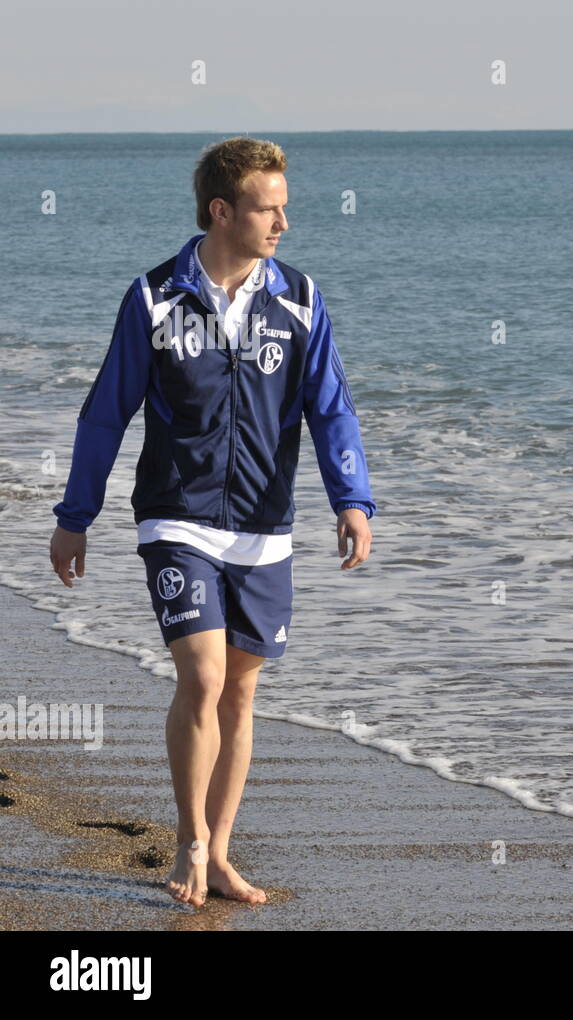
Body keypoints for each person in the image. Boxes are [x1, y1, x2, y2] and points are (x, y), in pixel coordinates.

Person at [48, 137, 376, 908]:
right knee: (202, 675)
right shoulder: (155, 297)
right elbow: (106, 413)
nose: (283, 224)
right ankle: (190, 843)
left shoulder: (299, 298)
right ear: (221, 211)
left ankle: (221, 855)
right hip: (177, 516)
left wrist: (352, 500)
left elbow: (331, 409)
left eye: (286, 208)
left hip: (264, 525)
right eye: (269, 209)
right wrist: (75, 516)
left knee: (240, 697)